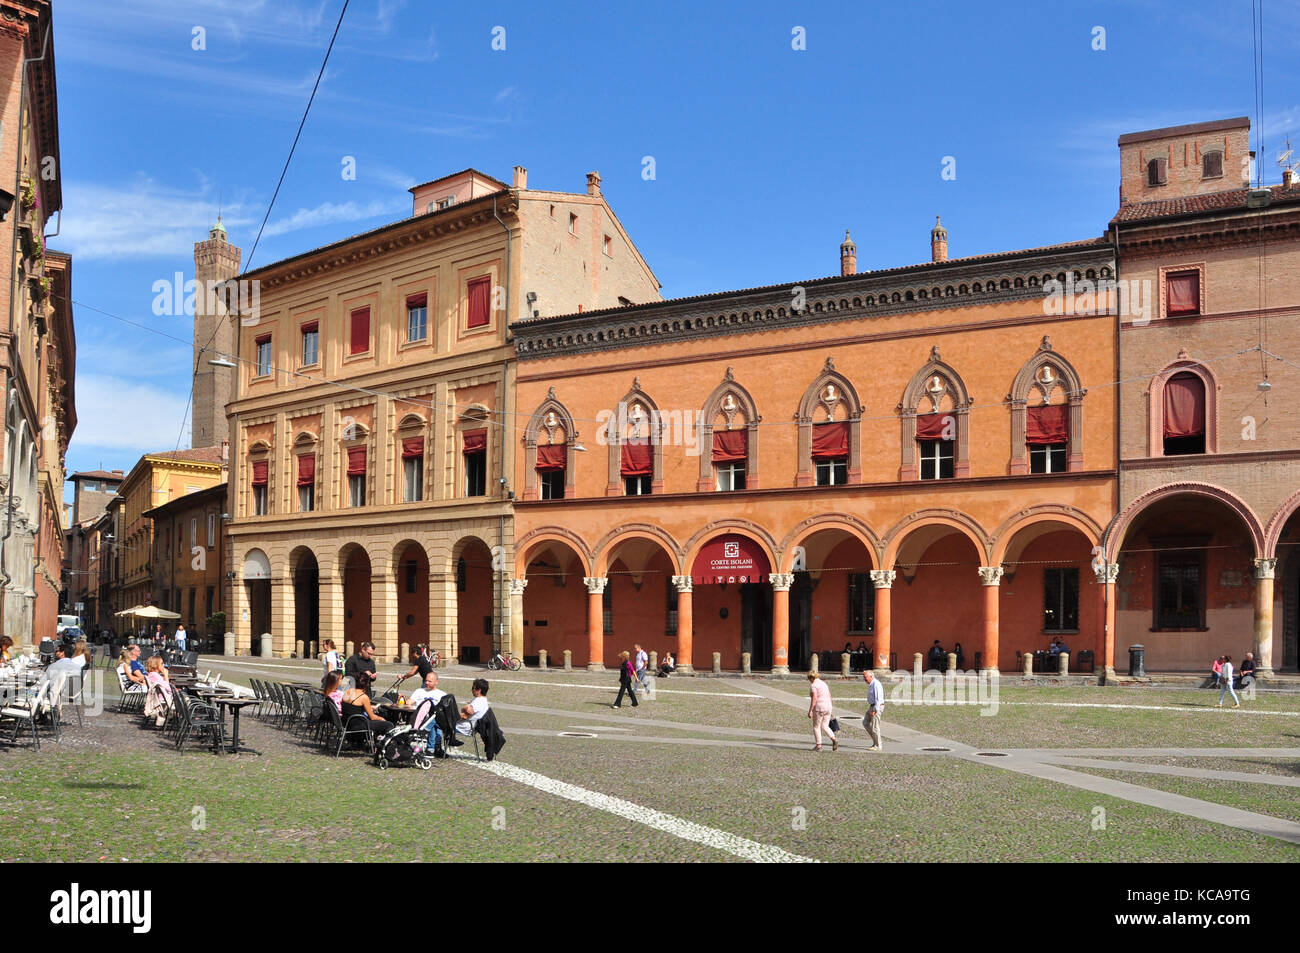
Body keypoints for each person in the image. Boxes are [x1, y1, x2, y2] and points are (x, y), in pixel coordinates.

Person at [341, 676, 395, 743]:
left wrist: (369, 707)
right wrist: (381, 719)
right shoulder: (363, 697)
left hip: (346, 724)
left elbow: (352, 708)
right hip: (358, 726)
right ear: (367, 685)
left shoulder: (347, 692)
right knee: (389, 724)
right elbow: (372, 717)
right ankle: (381, 745)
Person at [807, 671, 836, 751]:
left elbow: (814, 698)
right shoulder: (824, 683)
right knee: (825, 725)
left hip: (819, 708)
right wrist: (830, 707)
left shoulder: (814, 685)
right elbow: (830, 696)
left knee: (816, 726)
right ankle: (833, 738)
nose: (809, 681)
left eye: (809, 679)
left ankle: (818, 745)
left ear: (811, 678)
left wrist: (810, 710)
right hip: (828, 707)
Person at [862, 670, 885, 751]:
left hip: (876, 707)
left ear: (871, 676)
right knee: (865, 722)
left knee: (875, 727)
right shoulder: (872, 684)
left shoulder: (876, 684)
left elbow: (878, 698)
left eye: (865, 677)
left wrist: (875, 710)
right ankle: (876, 741)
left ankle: (878, 745)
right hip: (872, 706)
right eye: (864, 677)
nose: (864, 679)